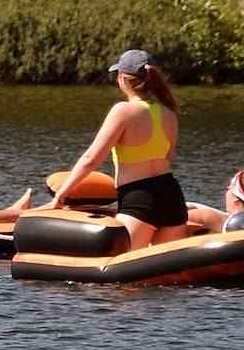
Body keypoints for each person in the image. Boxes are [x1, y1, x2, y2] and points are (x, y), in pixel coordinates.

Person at [51, 48, 190, 249]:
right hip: (172, 196)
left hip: (140, 199)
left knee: (123, 270)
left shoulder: (123, 111)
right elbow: (167, 159)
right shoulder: (169, 112)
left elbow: (92, 158)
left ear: (122, 79)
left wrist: (61, 195)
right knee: (166, 276)